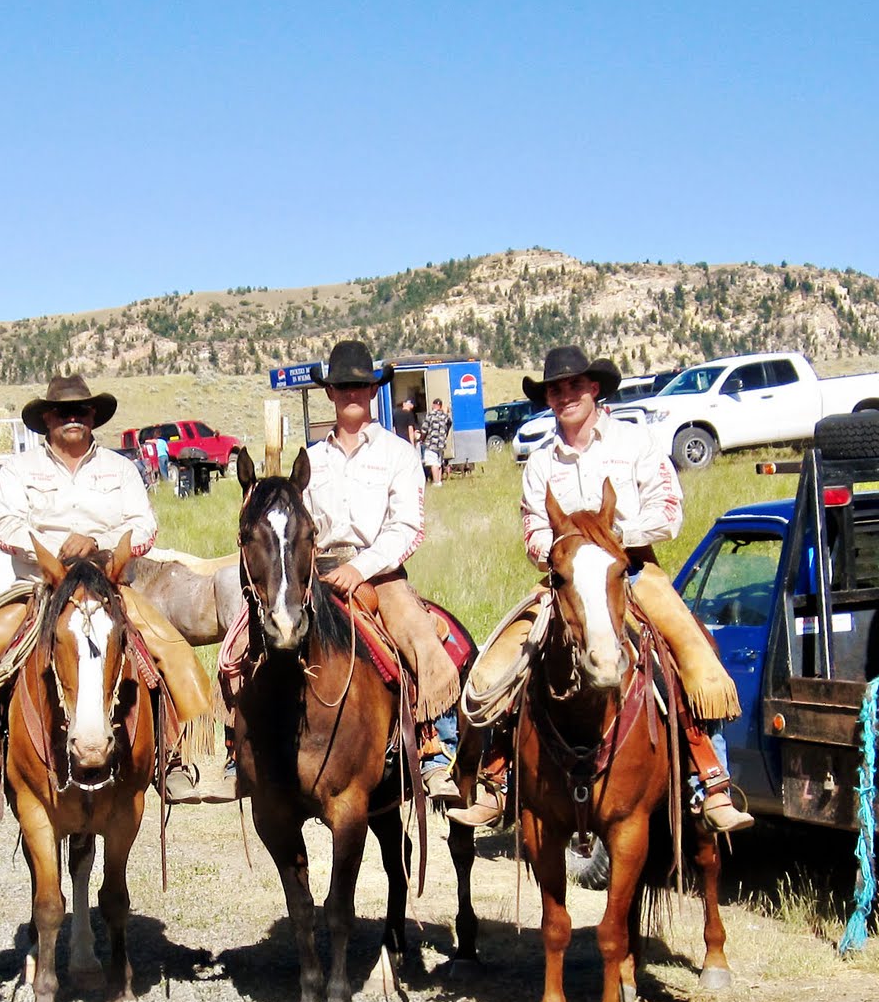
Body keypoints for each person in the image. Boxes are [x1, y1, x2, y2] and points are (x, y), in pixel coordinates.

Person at [448, 346, 751, 832]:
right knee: (500, 665)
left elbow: (668, 510)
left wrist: (612, 542)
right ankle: (497, 777)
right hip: (564, 580)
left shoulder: (635, 443)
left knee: (691, 654)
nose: (564, 395)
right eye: (555, 389)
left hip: (632, 571)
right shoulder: (540, 462)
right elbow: (533, 531)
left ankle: (709, 779)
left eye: (573, 386)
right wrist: (569, 552)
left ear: (594, 389)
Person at [0, 373, 217, 803]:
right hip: (39, 586)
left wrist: (99, 546)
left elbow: (144, 524)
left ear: (93, 417)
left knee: (166, 649)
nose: (73, 417)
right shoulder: (20, 469)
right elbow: (3, 524)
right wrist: (56, 551)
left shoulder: (120, 469)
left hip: (106, 586)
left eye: (81, 411)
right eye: (63, 412)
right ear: (46, 419)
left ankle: (171, 752)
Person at [301, 341, 463, 796]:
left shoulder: (398, 454)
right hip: (318, 571)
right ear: (330, 392)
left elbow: (407, 527)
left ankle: (438, 746)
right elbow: (301, 526)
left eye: (361, 385)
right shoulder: (312, 459)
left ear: (374, 390)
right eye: (343, 386)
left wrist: (361, 567)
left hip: (380, 572)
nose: (353, 393)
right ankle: (243, 745)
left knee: (421, 636)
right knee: (250, 638)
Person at [420, 397, 451, 486]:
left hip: (432, 442)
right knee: (439, 462)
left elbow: (424, 429)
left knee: (433, 462)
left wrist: (421, 439)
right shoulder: (445, 416)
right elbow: (449, 425)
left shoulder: (430, 415)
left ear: (434, 405)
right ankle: (439, 481)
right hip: (441, 443)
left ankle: (436, 482)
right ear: (440, 406)